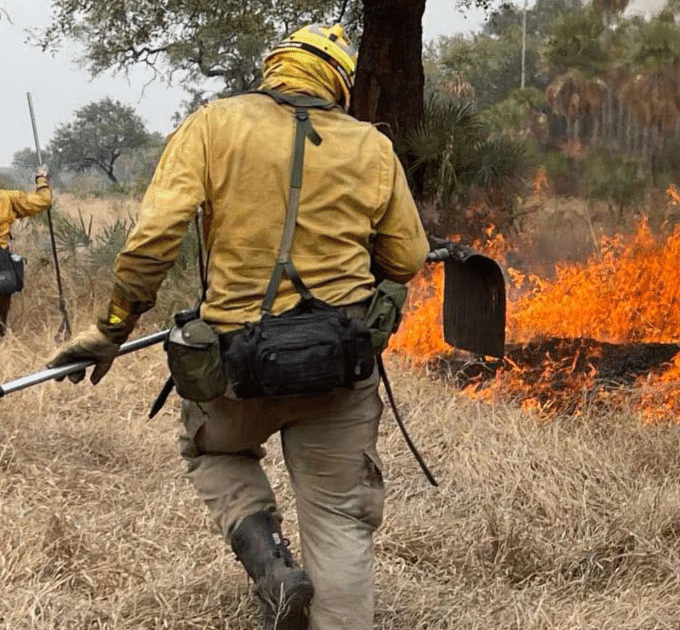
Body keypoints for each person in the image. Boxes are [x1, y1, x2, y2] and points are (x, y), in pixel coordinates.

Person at [47, 24, 429, 630]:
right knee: (338, 520)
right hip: (338, 369)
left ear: (275, 68)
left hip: (236, 367)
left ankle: (267, 560)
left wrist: (113, 329)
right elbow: (407, 259)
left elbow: (152, 243)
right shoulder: (371, 147)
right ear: (339, 83)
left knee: (209, 449)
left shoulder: (213, 125)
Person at [0, 164, 52, 335]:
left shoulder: (7, 199)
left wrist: (42, 181)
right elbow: (43, 201)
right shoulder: (7, 198)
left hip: (1, 256)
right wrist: (41, 179)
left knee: (4, 291)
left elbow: (42, 201)